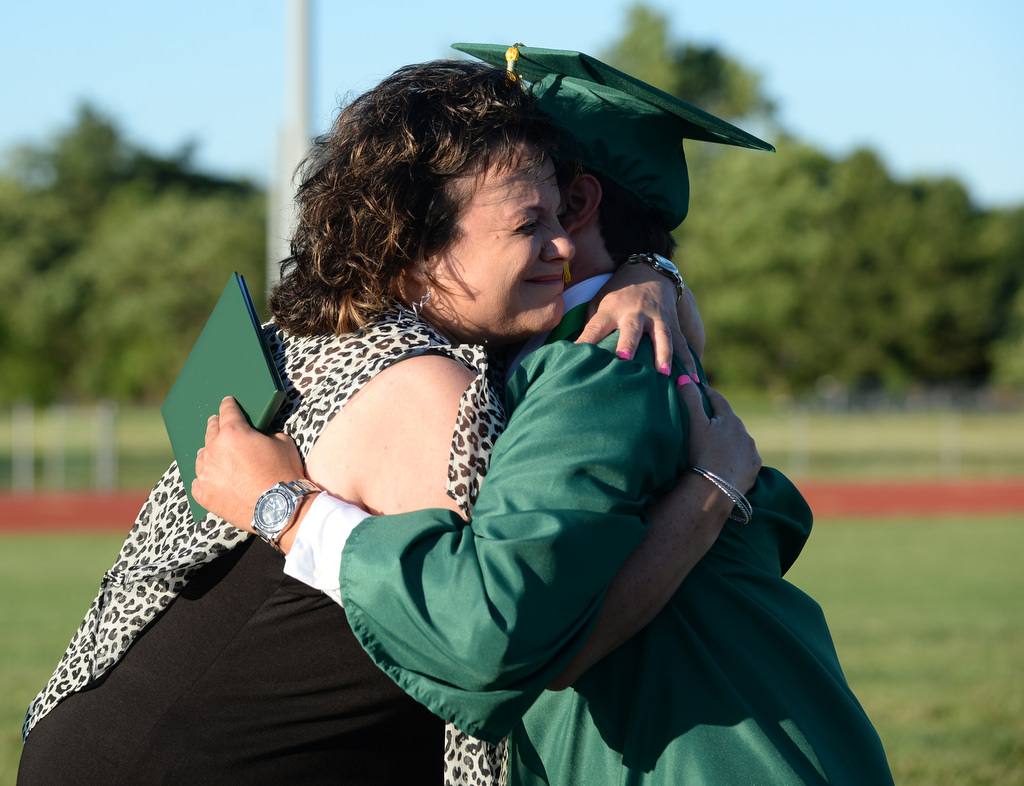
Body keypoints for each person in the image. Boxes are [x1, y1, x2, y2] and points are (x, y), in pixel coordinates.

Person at [18, 58, 750, 785]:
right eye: (531, 223)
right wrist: (713, 489)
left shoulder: (303, 334)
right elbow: (512, 644)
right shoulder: (424, 388)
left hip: (97, 732)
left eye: (562, 216)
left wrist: (648, 269)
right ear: (414, 246)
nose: (561, 247)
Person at [195, 46, 895, 785]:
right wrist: (654, 273)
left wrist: (290, 513)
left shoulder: (603, 357)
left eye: (538, 199)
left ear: (581, 203)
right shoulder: (607, 330)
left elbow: (513, 635)